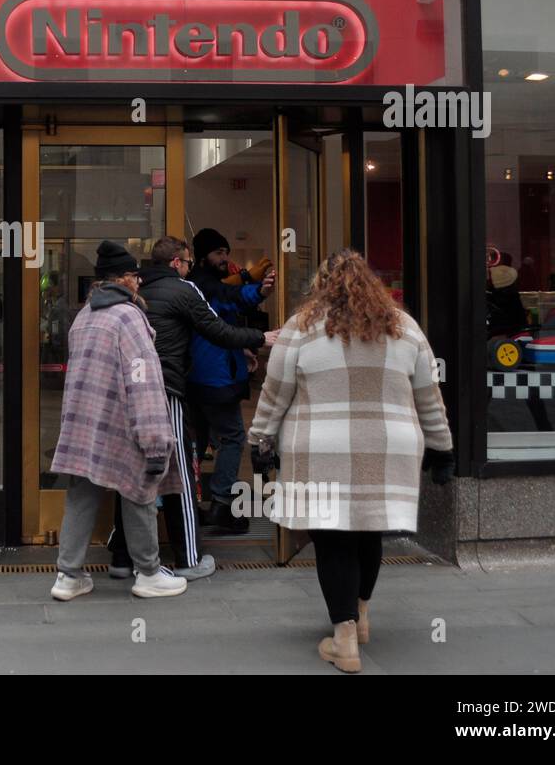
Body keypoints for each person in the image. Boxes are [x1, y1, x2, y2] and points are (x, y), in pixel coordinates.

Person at [247, 248, 454, 673]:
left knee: (333, 540)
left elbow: (274, 392)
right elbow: (428, 395)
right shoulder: (404, 327)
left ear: (319, 286)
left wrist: (260, 439)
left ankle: (344, 639)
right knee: (367, 533)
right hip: (389, 446)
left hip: (321, 448)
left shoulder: (301, 327)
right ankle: (360, 617)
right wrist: (442, 447)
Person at [108, 236, 278, 581]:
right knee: (181, 473)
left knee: (133, 471)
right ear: (176, 263)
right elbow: (216, 329)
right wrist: (260, 339)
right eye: (186, 262)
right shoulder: (183, 289)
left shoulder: (133, 290)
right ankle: (188, 557)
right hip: (164, 390)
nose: (189, 268)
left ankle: (122, 558)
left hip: (129, 392)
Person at [49, 240, 189, 601]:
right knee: (139, 490)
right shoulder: (128, 317)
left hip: (83, 423)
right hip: (120, 422)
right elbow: (142, 381)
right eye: (135, 276)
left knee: (81, 496)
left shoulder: (84, 316)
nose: (139, 283)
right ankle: (148, 573)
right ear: (124, 279)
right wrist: (155, 439)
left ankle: (68, 576)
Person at [187, 227, 276, 534]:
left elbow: (229, 303)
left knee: (196, 442)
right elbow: (230, 300)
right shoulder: (204, 287)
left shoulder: (200, 284)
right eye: (218, 253)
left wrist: (242, 349)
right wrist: (260, 293)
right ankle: (222, 503)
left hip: (200, 376)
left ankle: (189, 505)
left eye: (226, 252)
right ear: (202, 257)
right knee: (234, 437)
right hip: (215, 377)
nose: (224, 258)